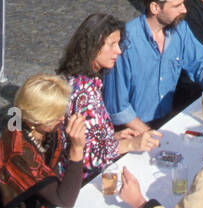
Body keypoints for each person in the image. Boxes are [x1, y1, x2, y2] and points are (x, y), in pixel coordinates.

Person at [0, 74, 86, 208]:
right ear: (33, 120)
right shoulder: (18, 152)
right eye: (54, 116)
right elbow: (64, 199)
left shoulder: (41, 129)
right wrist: (77, 150)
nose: (62, 119)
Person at [102, 0, 203, 131]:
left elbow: (202, 62)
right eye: (177, 6)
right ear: (155, 8)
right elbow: (118, 108)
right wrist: (149, 134)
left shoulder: (180, 29)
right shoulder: (125, 43)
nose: (184, 9)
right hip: (132, 129)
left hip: (166, 119)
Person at [56, 14, 161, 173]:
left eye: (118, 44)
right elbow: (86, 156)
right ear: (94, 46)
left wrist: (114, 138)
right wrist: (131, 144)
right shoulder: (83, 93)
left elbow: (91, 138)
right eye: (112, 44)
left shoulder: (88, 80)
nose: (118, 51)